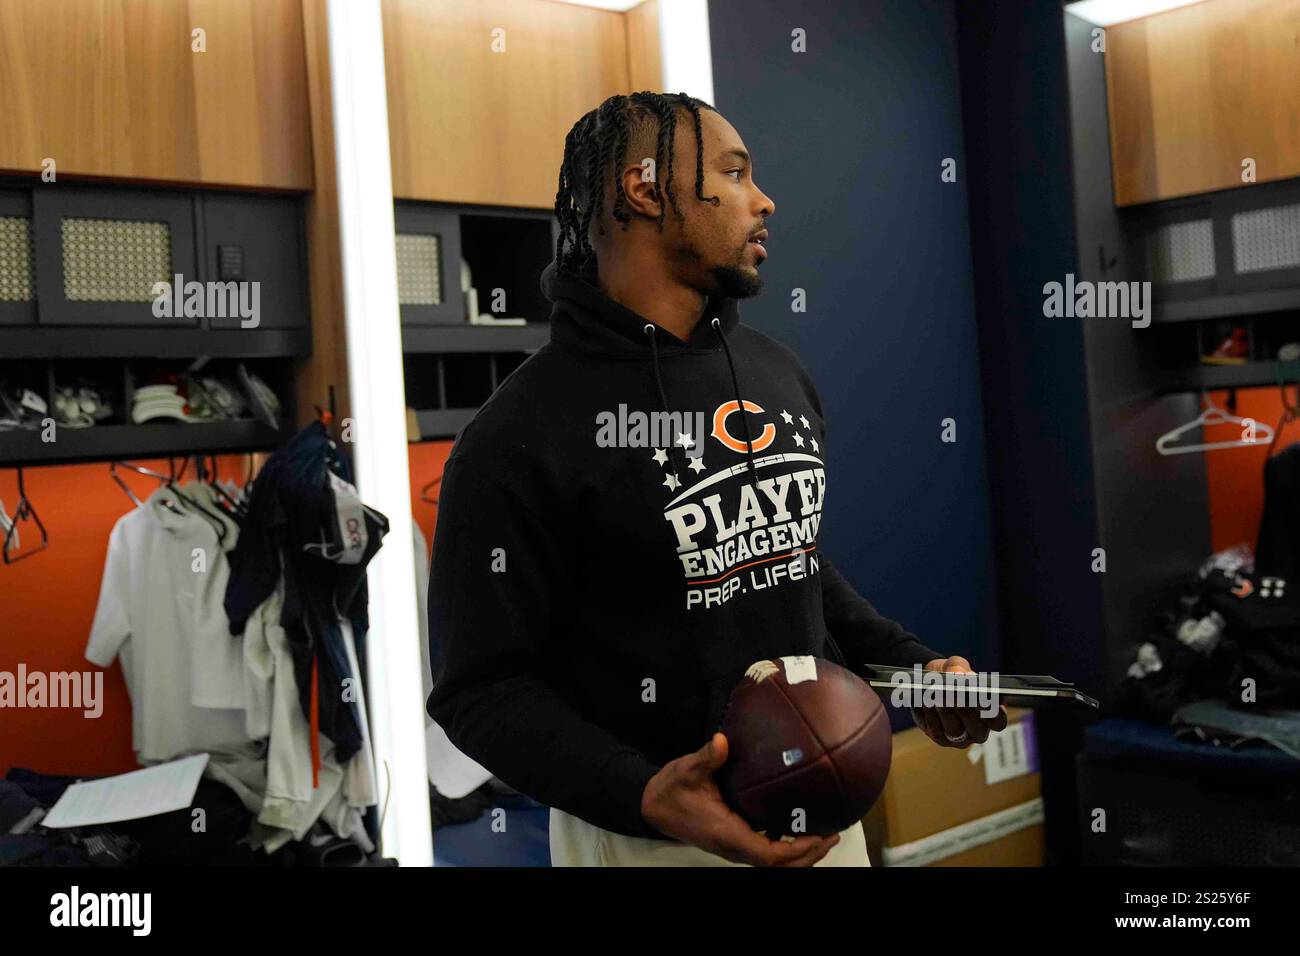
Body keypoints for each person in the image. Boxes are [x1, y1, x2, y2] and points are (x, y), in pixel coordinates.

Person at [426, 92, 1005, 867]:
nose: (763, 200)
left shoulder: (775, 371)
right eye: (733, 174)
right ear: (644, 189)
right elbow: (480, 690)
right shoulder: (516, 437)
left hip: (823, 822)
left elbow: (787, 560)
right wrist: (642, 792)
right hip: (653, 840)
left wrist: (914, 666)